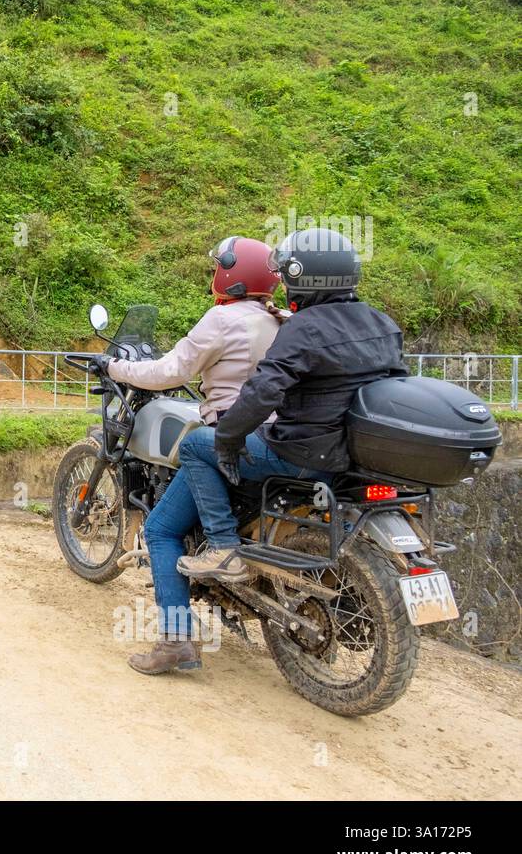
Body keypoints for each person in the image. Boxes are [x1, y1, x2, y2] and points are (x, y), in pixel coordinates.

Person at [85, 236, 285, 675]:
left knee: (160, 529)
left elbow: (170, 371)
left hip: (232, 438)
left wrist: (114, 368)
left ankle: (176, 639)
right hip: (280, 440)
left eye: (219, 267)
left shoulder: (223, 318)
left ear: (230, 273)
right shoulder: (282, 319)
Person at [175, 227, 407, 585]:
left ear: (305, 279)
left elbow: (263, 391)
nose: (282, 285)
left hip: (302, 454)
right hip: (351, 458)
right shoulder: (383, 323)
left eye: (287, 277)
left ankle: (224, 549)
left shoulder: (304, 328)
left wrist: (228, 437)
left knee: (195, 444)